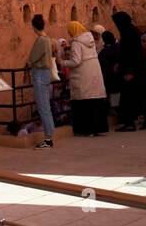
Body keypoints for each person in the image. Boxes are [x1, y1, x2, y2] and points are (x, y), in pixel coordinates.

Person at [59, 20, 108, 136]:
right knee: (95, 102)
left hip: (83, 75)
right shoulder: (90, 40)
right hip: (94, 74)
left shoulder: (77, 42)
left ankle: (86, 130)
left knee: (84, 103)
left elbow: (76, 60)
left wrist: (62, 62)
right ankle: (97, 129)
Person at [112, 11, 146, 131]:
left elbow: (133, 54)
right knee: (130, 97)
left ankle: (129, 123)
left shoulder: (129, 33)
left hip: (132, 72)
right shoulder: (130, 31)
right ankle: (129, 122)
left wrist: (130, 71)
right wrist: (120, 64)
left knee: (128, 98)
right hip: (132, 70)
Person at [25, 14, 57, 148]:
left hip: (39, 73)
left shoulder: (41, 40)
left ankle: (48, 138)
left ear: (33, 26)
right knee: (46, 106)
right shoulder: (48, 39)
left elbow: (32, 58)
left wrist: (27, 63)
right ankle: (49, 135)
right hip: (45, 73)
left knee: (43, 106)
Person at [98, 30, 122, 115]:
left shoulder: (104, 52)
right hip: (119, 76)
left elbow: (102, 65)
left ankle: (114, 109)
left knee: (112, 93)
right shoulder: (119, 47)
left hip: (109, 77)